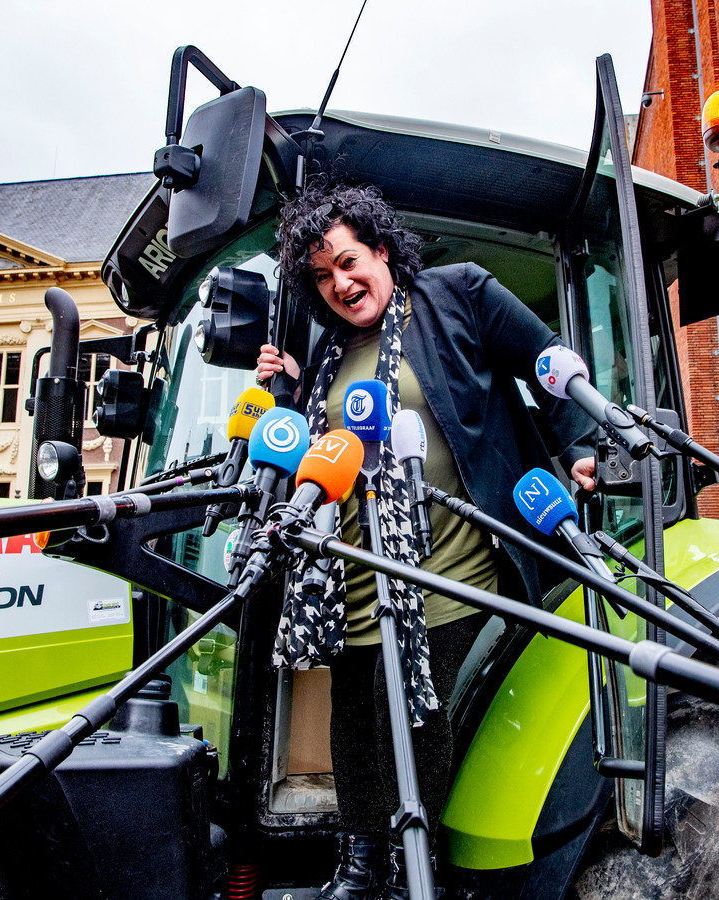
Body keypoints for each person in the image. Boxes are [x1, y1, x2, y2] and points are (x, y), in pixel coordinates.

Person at [258, 183, 596, 899]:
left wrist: (586, 445)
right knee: (353, 727)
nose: (341, 284)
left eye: (349, 262)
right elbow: (322, 448)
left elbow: (546, 360)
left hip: (449, 568)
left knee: (411, 721)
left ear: (381, 250)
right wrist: (286, 392)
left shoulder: (455, 296)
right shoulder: (327, 351)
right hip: (352, 568)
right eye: (322, 276)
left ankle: (417, 868)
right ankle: (361, 863)